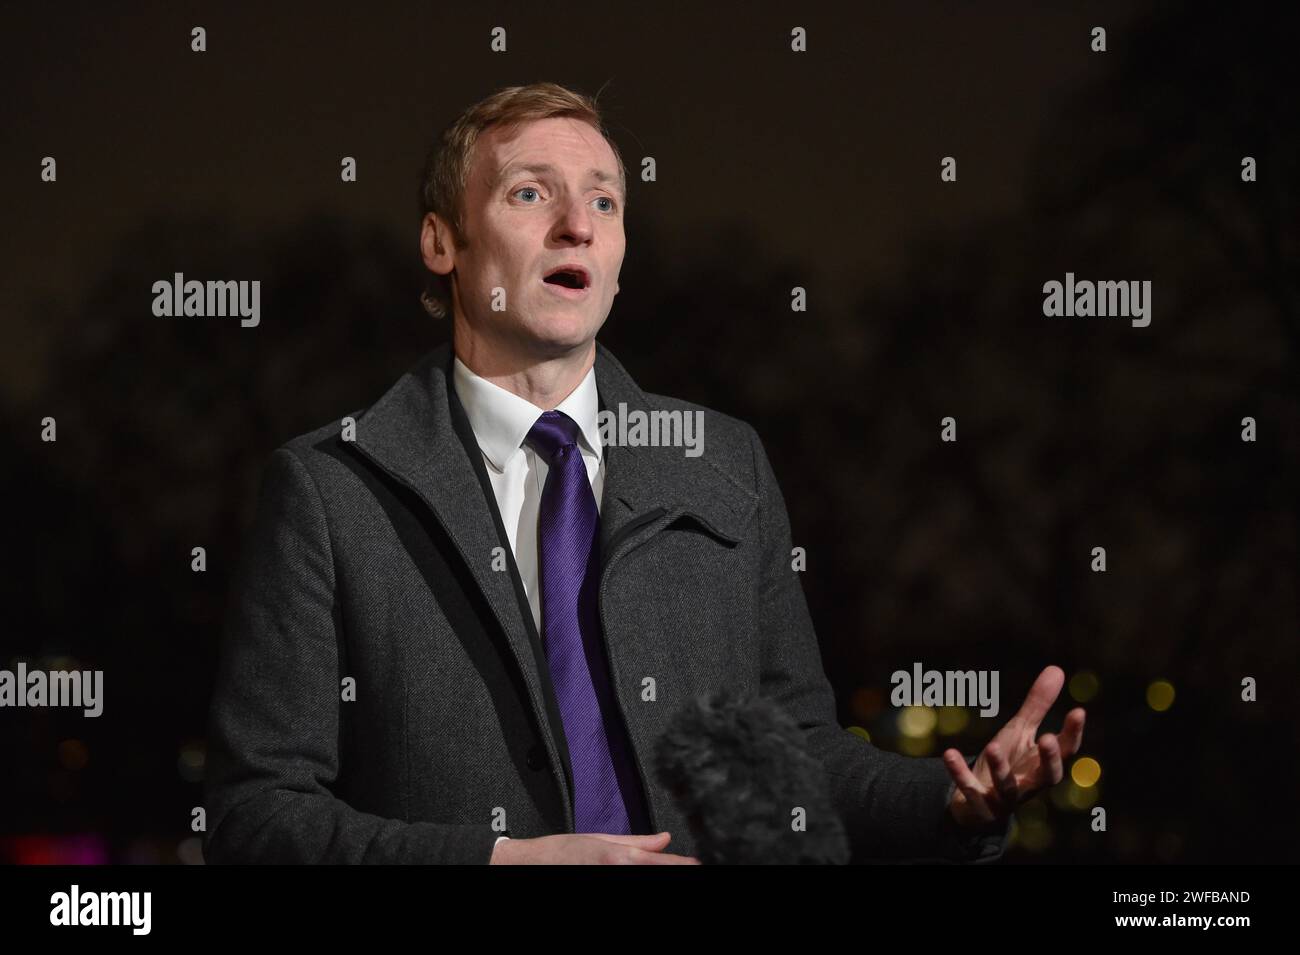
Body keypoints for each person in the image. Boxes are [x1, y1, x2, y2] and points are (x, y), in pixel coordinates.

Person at [202, 82, 1085, 865]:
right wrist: (501, 861)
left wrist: (951, 800)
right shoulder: (329, 488)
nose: (576, 223)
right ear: (442, 242)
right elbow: (256, 817)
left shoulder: (724, 463)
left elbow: (801, 758)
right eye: (528, 193)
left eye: (605, 201)